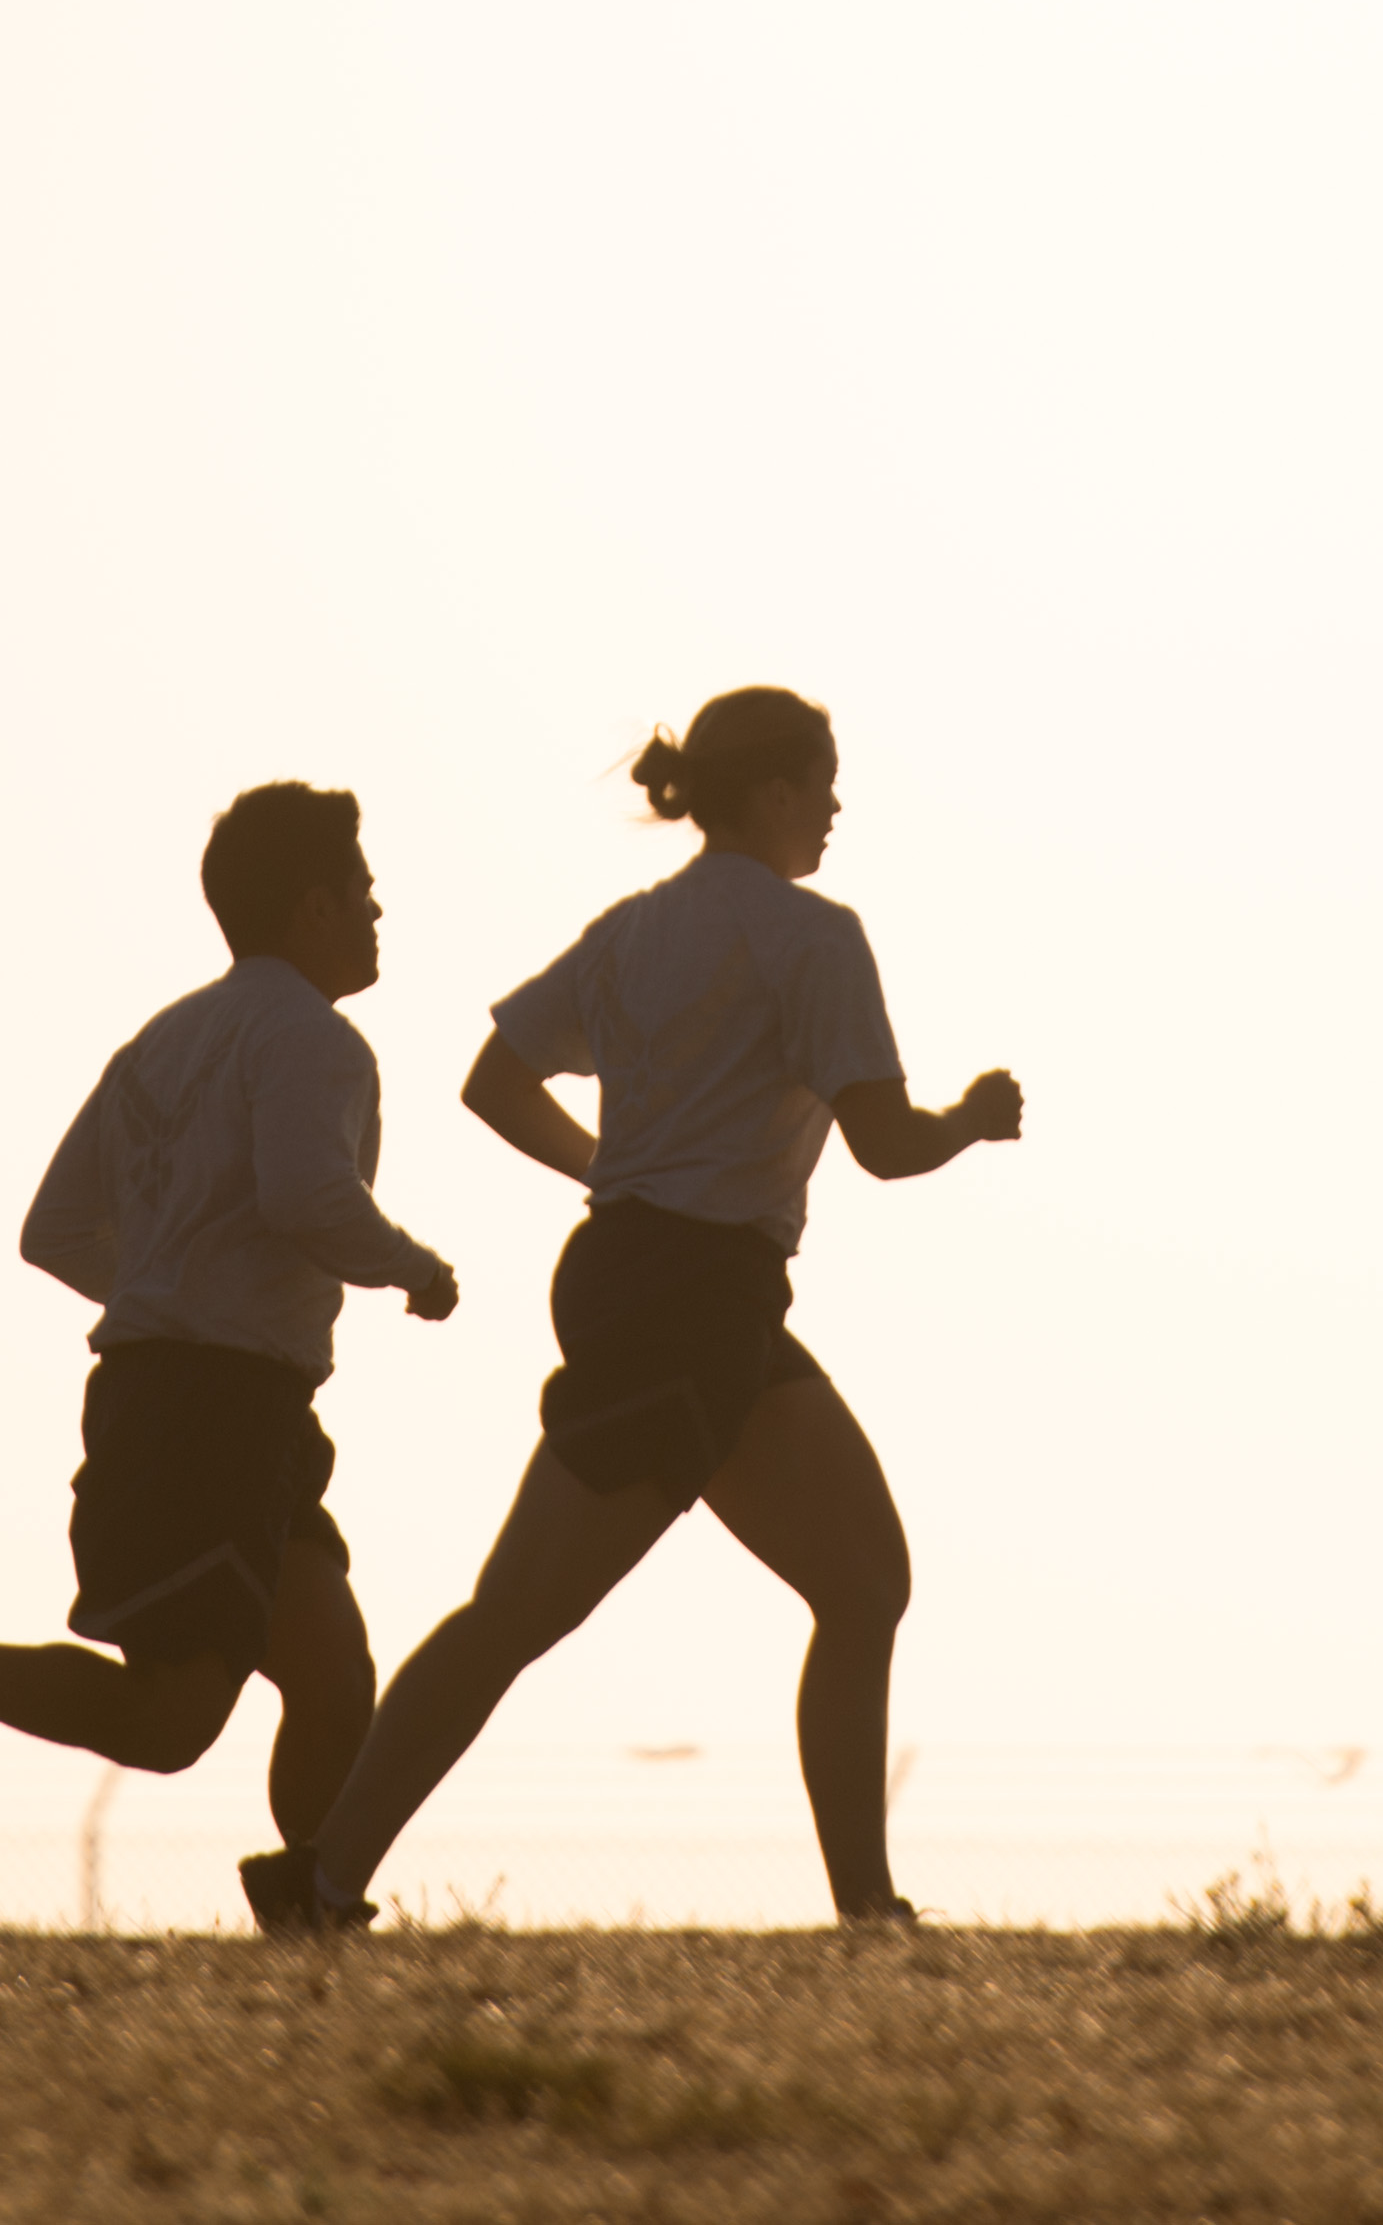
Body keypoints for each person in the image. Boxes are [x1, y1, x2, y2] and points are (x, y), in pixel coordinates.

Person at [267, 687, 1022, 1933]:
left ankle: (866, 1907)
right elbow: (883, 1145)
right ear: (776, 792)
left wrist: (616, 1179)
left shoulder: (635, 930)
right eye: (824, 783)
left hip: (662, 1285)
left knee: (862, 1580)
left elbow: (495, 1080)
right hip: (697, 1295)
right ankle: (322, 1875)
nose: (835, 808)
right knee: (521, 1611)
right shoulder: (813, 937)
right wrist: (972, 1120)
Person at [0, 782, 462, 1930]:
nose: (378, 913)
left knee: (331, 1671)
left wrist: (170, 1287)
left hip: (205, 1406)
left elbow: (56, 1229)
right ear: (313, 907)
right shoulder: (319, 1041)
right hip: (211, 1414)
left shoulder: (163, 1044)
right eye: (363, 893)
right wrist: (415, 1267)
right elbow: (310, 1196)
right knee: (168, 1722)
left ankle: (312, 1899)